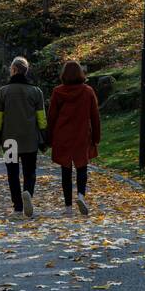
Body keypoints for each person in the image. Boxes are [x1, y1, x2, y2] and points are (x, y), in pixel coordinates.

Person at [0, 56, 47, 219]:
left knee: (12, 174)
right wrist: (44, 137)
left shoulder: (3, 92)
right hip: (30, 140)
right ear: (26, 70)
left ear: (13, 70)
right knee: (30, 172)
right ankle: (27, 192)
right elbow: (42, 119)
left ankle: (17, 208)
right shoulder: (36, 91)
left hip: (9, 141)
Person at [47, 59, 100, 217]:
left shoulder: (58, 92)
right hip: (82, 134)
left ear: (64, 74)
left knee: (66, 169)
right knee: (82, 166)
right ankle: (81, 196)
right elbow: (95, 116)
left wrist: (49, 137)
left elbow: (52, 116)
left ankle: (68, 207)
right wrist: (96, 137)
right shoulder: (88, 91)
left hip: (63, 134)